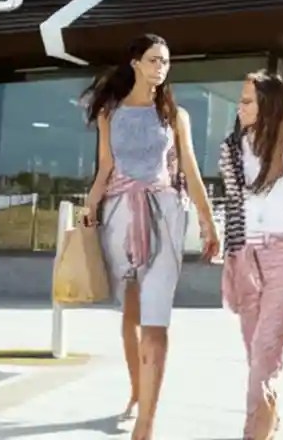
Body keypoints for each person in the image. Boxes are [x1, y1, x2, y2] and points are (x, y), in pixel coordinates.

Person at [81, 33, 222, 440]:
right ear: (135, 64)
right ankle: (136, 392)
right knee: (129, 319)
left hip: (164, 214)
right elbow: (105, 167)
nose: (161, 67)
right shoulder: (110, 111)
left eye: (165, 61)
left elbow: (191, 171)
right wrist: (90, 208)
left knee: (155, 318)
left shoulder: (175, 116)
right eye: (153, 60)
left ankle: (146, 425)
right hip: (119, 215)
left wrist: (208, 221)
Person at [217, 70, 283, 440]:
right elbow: (234, 205)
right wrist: (229, 256)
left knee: (265, 352)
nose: (239, 107)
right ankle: (270, 422)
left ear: (268, 106)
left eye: (247, 101)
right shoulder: (230, 150)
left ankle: (253, 433)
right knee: (257, 356)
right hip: (244, 256)